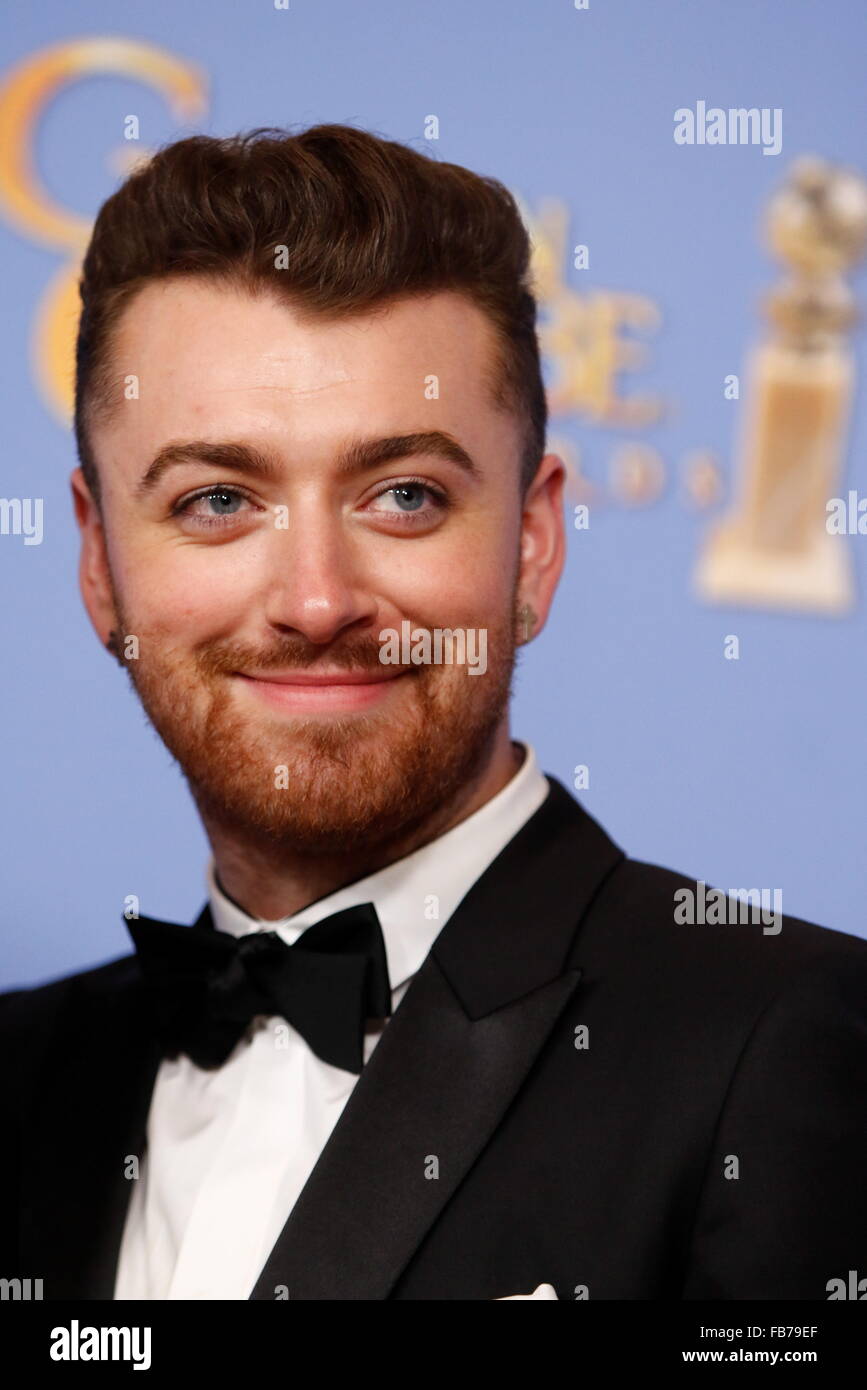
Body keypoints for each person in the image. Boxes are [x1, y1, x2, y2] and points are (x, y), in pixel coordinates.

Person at [1, 124, 865, 1301]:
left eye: (404, 495)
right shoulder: (19, 1077)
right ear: (101, 561)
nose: (315, 599)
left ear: (535, 542)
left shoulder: (782, 1039)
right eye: (217, 499)